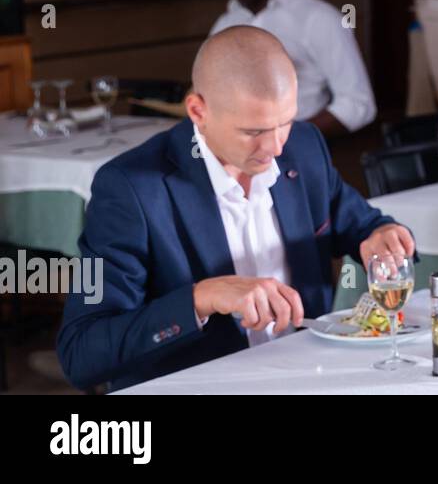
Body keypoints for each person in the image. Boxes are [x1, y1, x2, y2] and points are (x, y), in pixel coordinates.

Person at [57, 26, 415, 390]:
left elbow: (365, 226)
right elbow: (82, 353)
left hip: (310, 379)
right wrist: (202, 298)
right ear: (198, 110)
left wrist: (382, 236)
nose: (275, 147)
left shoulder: (304, 148)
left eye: (285, 122)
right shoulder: (131, 189)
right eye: (253, 132)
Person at [210, 0, 376, 136]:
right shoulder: (225, 25)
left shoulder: (318, 19)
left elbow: (359, 104)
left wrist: (289, 137)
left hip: (296, 156)